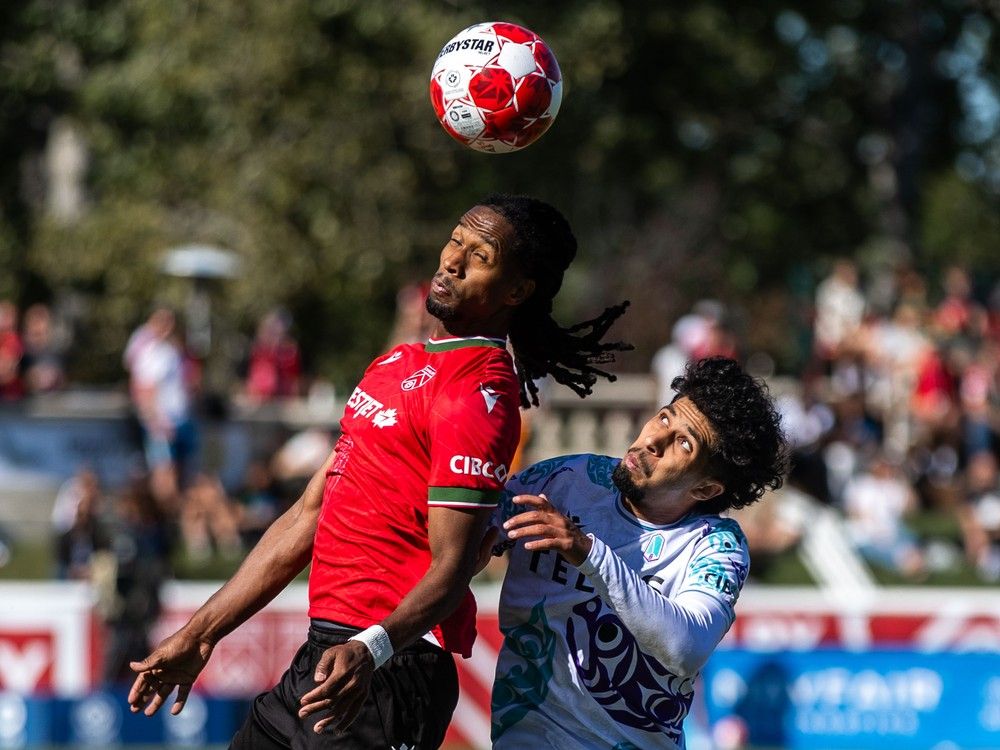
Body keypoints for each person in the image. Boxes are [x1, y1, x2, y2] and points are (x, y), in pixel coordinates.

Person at [127, 194, 631, 749]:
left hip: (390, 670)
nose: (452, 260)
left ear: (517, 290)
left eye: (480, 255)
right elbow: (307, 516)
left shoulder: (478, 394)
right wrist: (201, 636)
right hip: (325, 657)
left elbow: (453, 565)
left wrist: (373, 648)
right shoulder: (396, 364)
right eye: (456, 239)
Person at [491, 356, 788, 749]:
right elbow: (463, 534)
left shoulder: (715, 544)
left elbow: (686, 647)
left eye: (684, 443)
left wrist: (586, 551)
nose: (653, 440)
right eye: (665, 418)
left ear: (705, 489)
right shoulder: (566, 481)